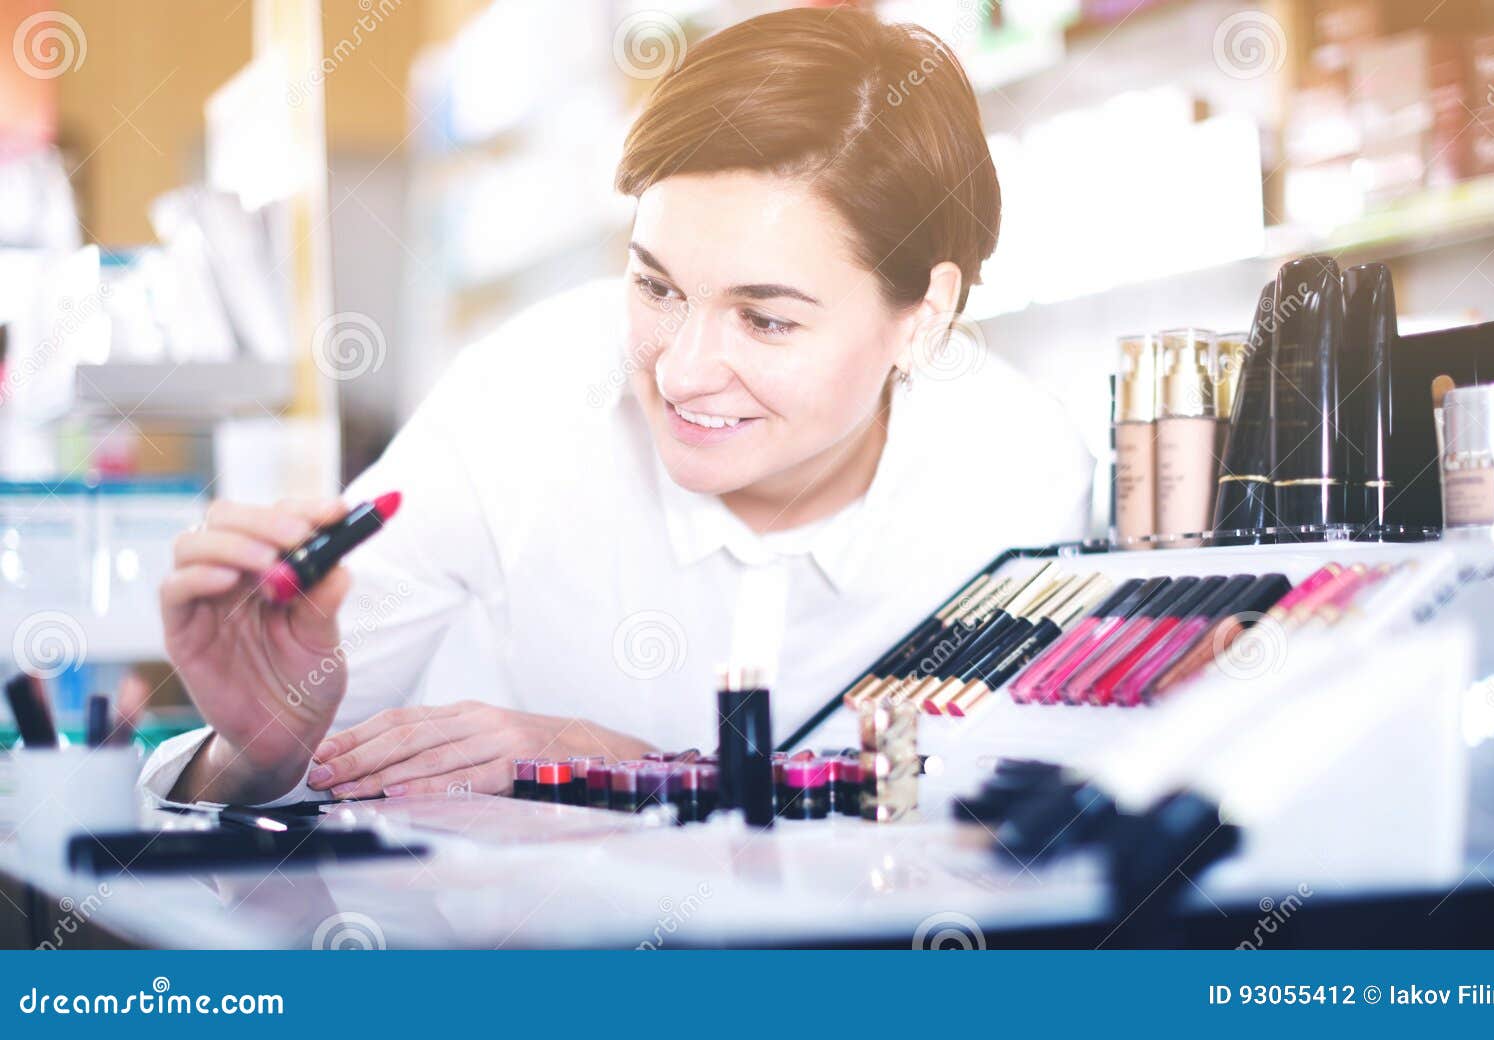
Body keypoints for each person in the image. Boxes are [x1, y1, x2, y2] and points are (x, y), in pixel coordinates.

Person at [141, 6, 1093, 806]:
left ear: (924, 318)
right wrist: (254, 753)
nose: (680, 373)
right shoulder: (525, 397)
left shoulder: (1019, 477)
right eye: (657, 287)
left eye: (764, 320)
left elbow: (1004, 819)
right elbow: (273, 781)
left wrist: (626, 772)